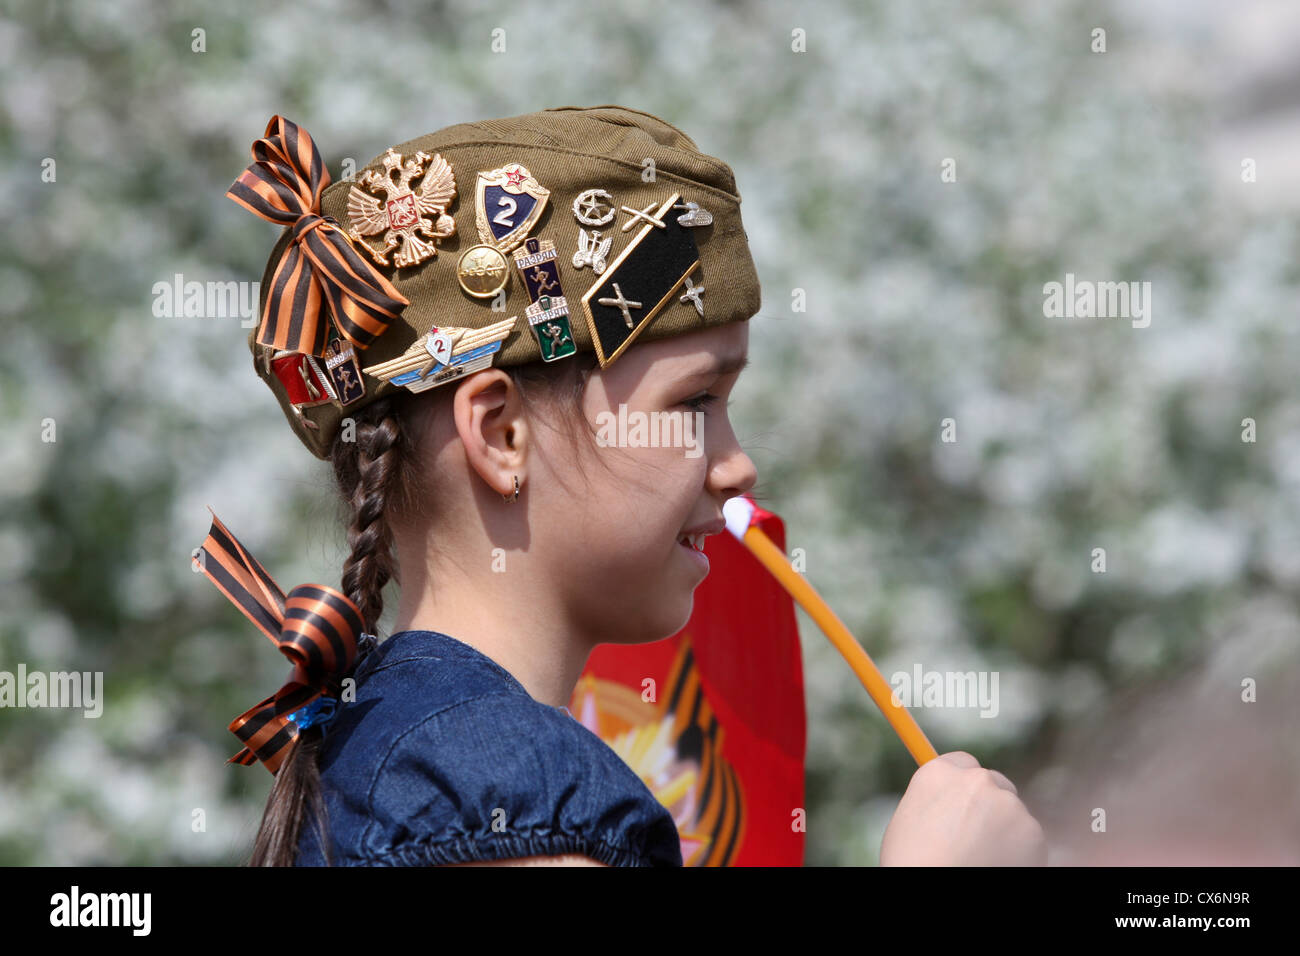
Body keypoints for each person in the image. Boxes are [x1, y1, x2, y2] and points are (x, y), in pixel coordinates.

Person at [206, 105, 1046, 867]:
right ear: (501, 435)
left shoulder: (381, 742)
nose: (737, 464)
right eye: (695, 403)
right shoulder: (510, 810)